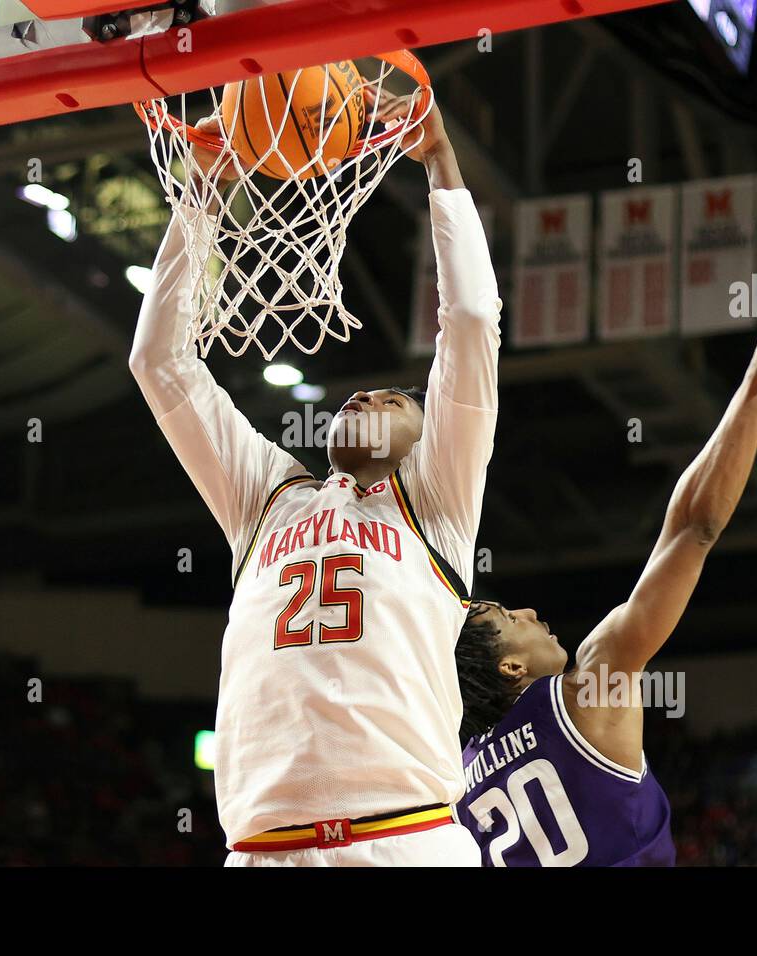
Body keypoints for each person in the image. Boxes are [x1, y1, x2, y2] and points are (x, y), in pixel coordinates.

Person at [129, 89, 501, 865]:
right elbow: (160, 363)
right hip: (263, 849)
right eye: (360, 392)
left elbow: (468, 324)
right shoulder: (266, 497)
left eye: (396, 399)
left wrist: (442, 165)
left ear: (426, 439)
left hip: (407, 839)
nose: (365, 395)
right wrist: (200, 194)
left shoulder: (434, 504)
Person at [454, 264, 757, 866]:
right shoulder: (588, 686)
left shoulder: (449, 783)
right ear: (510, 665)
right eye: (511, 616)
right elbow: (694, 528)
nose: (531, 611)